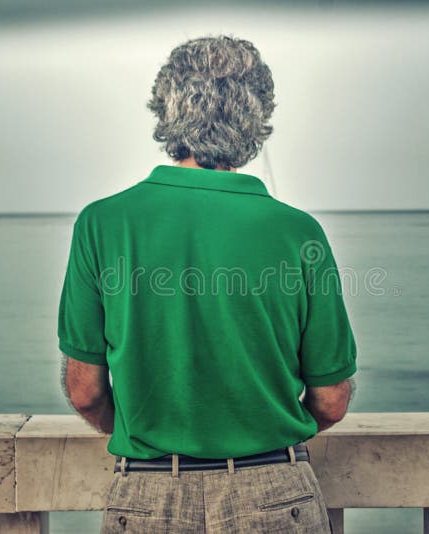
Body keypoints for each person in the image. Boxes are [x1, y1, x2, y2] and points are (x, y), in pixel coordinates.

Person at [58, 35, 357, 533]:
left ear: (165, 110)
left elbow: (85, 390)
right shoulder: (298, 232)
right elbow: (332, 398)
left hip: (147, 494)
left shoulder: (103, 223)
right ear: (256, 121)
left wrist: (147, 435)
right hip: (273, 490)